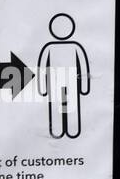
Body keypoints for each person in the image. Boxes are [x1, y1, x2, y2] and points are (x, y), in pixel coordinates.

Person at [37, 12, 90, 140]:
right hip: (55, 81)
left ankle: (72, 129)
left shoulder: (74, 47)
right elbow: (41, 69)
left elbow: (83, 68)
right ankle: (60, 130)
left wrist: (84, 87)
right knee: (56, 107)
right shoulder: (50, 47)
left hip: (69, 80)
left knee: (71, 107)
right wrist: (42, 88)